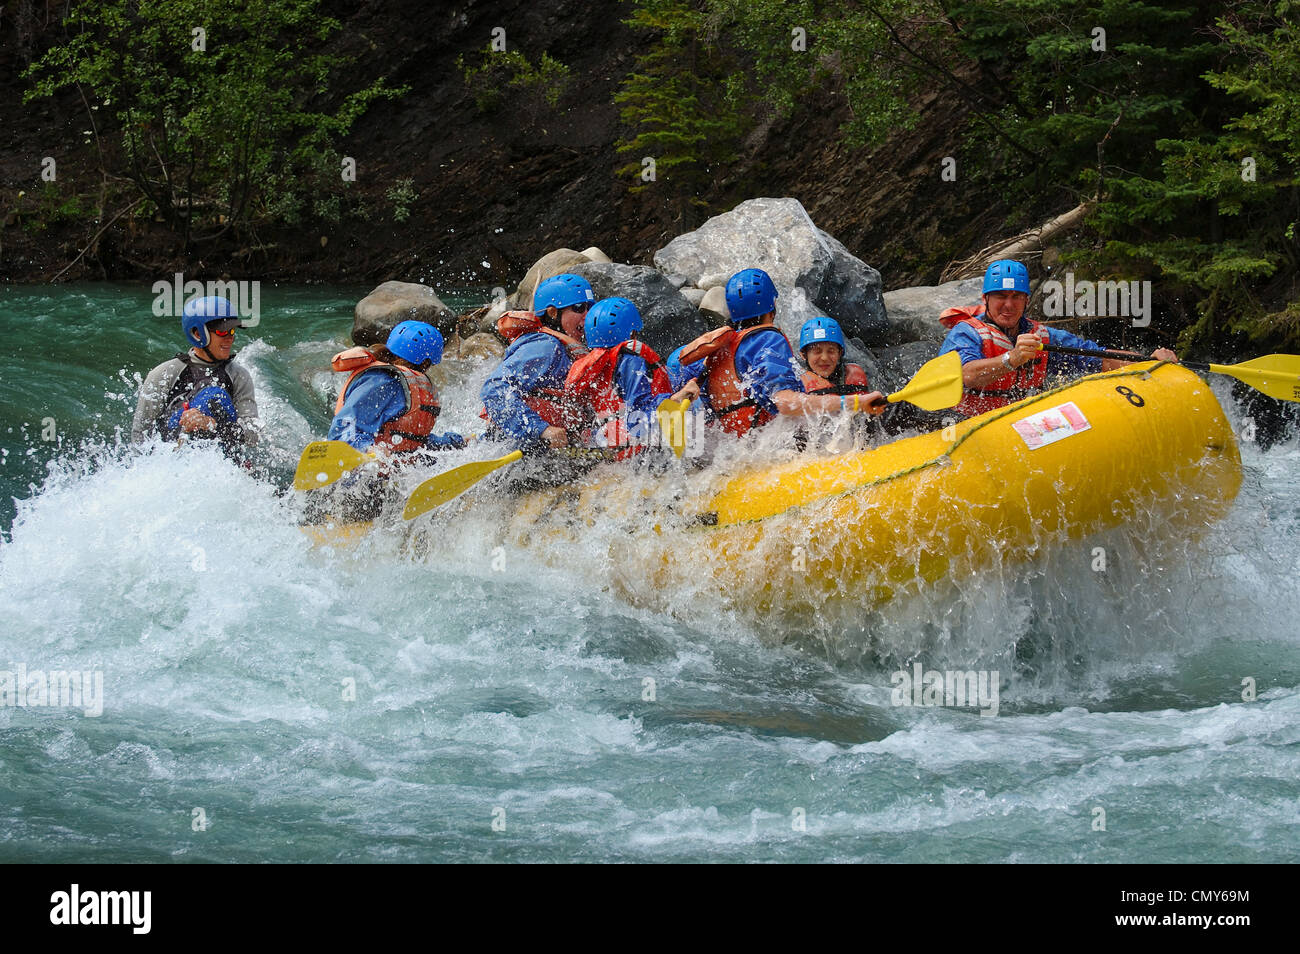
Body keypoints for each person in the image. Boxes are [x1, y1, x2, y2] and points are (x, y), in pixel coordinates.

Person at [939, 259, 1178, 417]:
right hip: (966, 422)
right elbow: (967, 375)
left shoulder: (1043, 336)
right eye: (1000, 296)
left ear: (1027, 300)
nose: (1008, 305)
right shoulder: (966, 333)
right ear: (985, 299)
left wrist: (1149, 361)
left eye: (1016, 297)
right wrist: (1011, 359)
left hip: (1018, 423)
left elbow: (1100, 358)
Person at [674, 268, 886, 437]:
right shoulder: (767, 339)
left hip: (732, 444)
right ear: (772, 304)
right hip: (766, 443)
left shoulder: (719, 348)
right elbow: (783, 401)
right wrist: (854, 403)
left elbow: (684, 392)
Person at [131, 295, 260, 454]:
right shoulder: (164, 374)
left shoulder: (239, 376)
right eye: (222, 332)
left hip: (223, 459)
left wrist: (211, 424)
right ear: (198, 333)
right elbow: (140, 435)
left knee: (214, 396)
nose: (230, 338)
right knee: (212, 396)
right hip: (172, 457)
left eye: (232, 331)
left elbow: (252, 436)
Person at [564, 297, 690, 456]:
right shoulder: (631, 361)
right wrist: (676, 398)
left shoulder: (592, 368)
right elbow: (639, 414)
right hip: (640, 451)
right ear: (632, 332)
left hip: (608, 450)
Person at [480, 273, 593, 448]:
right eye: (579, 308)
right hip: (519, 445)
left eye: (589, 308)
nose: (587, 315)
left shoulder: (569, 349)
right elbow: (494, 389)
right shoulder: (545, 346)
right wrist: (542, 430)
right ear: (553, 313)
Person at [328, 320, 464, 453]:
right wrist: (369, 450)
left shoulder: (405, 384)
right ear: (426, 363)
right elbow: (344, 428)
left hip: (395, 463)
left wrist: (452, 443)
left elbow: (411, 440)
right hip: (362, 465)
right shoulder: (382, 381)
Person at [797, 316, 873, 395]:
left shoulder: (854, 376)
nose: (824, 358)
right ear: (804, 355)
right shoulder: (795, 383)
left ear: (840, 353)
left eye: (831, 351)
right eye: (817, 351)